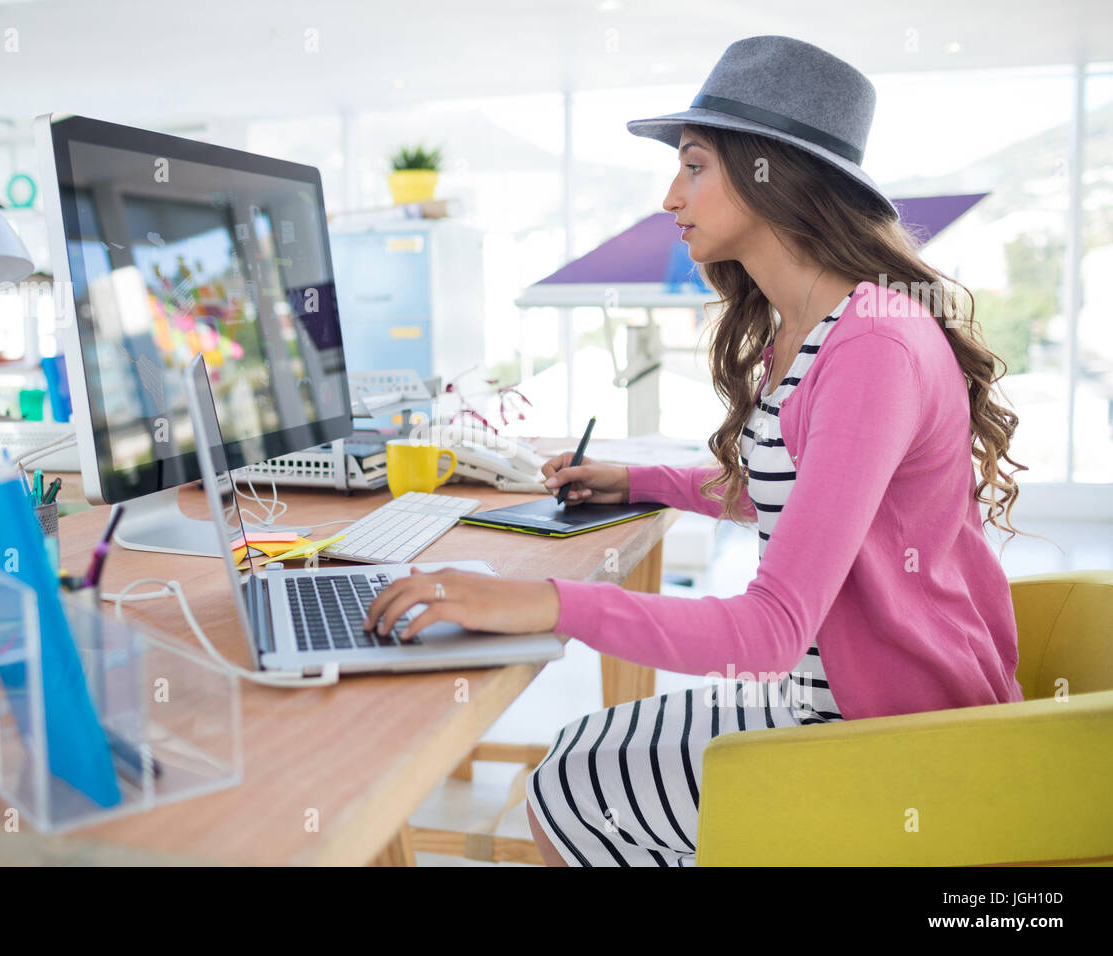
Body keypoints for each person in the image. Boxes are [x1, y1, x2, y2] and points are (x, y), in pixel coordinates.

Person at [362, 35, 1029, 867]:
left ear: (769, 171)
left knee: (573, 790)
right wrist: (639, 479)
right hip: (840, 706)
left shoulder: (871, 347)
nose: (670, 195)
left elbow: (771, 633)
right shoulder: (808, 329)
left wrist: (546, 603)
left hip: (897, 739)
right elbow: (807, 495)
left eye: (695, 165)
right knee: (572, 763)